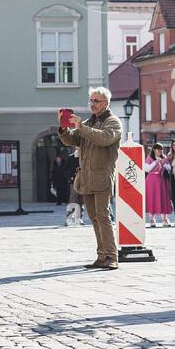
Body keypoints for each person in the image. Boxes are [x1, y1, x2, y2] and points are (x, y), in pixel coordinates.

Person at [58, 87, 122, 269]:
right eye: (91, 100)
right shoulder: (89, 123)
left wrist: (82, 128)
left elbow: (104, 138)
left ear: (106, 103)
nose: (92, 104)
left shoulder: (113, 122)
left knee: (103, 216)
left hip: (102, 177)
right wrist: (63, 128)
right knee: (94, 218)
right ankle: (102, 256)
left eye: (96, 101)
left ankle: (112, 256)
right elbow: (72, 139)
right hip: (86, 177)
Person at [144, 144, 173, 227]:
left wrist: (163, 162)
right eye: (158, 149)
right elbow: (147, 169)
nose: (160, 151)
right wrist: (155, 162)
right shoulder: (149, 158)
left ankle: (165, 219)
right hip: (151, 181)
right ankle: (152, 220)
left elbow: (169, 168)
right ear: (154, 150)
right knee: (152, 199)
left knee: (163, 198)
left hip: (162, 181)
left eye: (161, 149)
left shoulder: (164, 158)